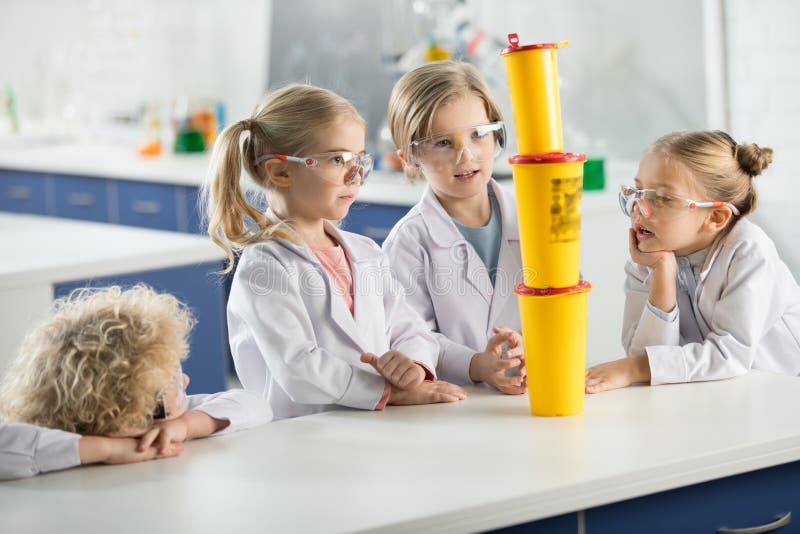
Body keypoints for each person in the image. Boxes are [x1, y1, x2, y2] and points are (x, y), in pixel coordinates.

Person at [202, 84, 468, 420]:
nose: (355, 175)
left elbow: (409, 328)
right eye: (338, 159)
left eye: (359, 160)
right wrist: (388, 392)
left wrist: (412, 366)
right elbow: (298, 368)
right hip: (302, 439)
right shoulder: (264, 266)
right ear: (281, 171)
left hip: (370, 428)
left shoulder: (366, 252)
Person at [585, 130, 800, 393]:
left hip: (785, 394)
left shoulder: (748, 251)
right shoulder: (650, 257)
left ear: (716, 218)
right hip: (716, 395)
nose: (638, 208)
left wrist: (633, 368)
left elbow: (729, 355)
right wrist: (662, 273)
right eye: (638, 191)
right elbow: (645, 355)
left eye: (662, 198)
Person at [0, 285, 273, 480]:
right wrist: (108, 450)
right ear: (139, 404)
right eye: (175, 380)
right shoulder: (51, 439)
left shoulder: (169, 423)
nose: (187, 380)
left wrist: (187, 424)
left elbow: (256, 404)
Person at [381, 60, 526, 394]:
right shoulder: (408, 244)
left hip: (533, 397)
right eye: (443, 143)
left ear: (496, 134)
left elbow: (561, 307)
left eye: (478, 135)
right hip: (457, 406)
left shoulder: (531, 218)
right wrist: (478, 365)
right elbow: (410, 337)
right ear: (409, 158)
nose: (466, 155)